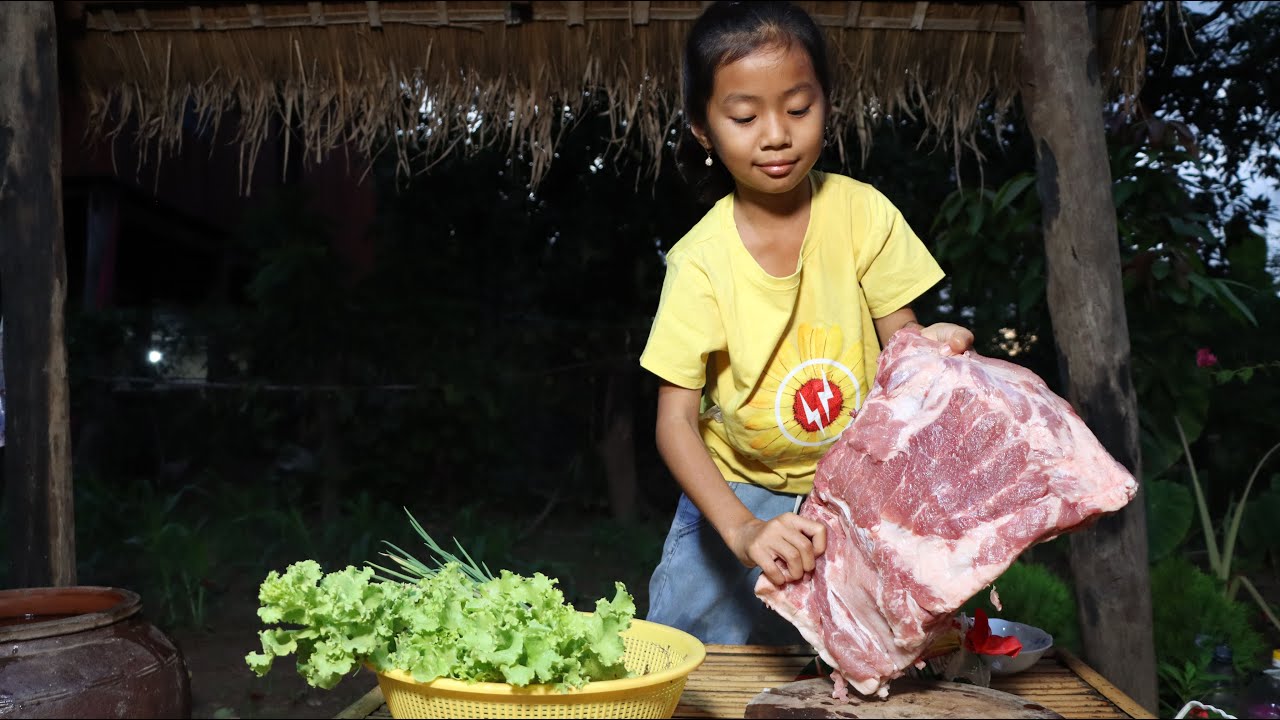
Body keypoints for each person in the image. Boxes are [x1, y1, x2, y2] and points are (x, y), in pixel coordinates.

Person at [638, 0, 974, 645]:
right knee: (684, 669)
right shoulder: (698, 263)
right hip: (734, 492)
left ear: (827, 104)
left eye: (798, 109)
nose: (775, 134)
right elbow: (674, 420)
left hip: (857, 493)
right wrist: (740, 529)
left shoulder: (863, 214)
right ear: (704, 130)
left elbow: (903, 356)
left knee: (847, 671)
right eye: (744, 115)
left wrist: (930, 353)